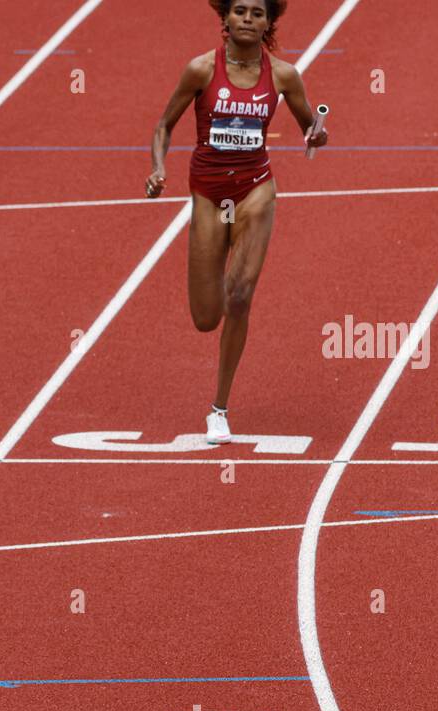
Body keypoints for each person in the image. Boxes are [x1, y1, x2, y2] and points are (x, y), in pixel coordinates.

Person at [146, 0, 328, 443]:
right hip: (208, 193)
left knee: (241, 296)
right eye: (240, 11)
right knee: (206, 317)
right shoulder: (200, 71)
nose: (248, 19)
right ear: (225, 19)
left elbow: (312, 131)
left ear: (268, 23)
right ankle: (219, 330)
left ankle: (219, 409)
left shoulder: (283, 75)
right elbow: (163, 126)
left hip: (255, 190)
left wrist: (318, 134)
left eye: (257, 13)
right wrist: (157, 168)